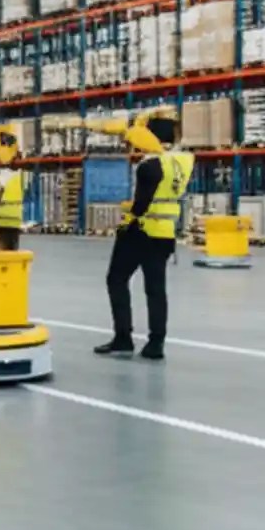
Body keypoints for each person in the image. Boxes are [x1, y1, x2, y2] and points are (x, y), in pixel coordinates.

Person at [94, 115, 194, 361]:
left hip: (141, 231)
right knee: (156, 289)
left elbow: (141, 204)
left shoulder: (149, 166)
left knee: (116, 279)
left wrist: (126, 218)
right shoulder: (180, 163)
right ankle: (156, 343)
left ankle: (123, 338)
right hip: (165, 233)